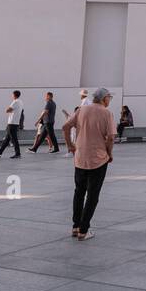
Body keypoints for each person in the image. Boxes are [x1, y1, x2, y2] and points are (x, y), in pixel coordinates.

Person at [61, 87, 116, 240]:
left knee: (79, 192)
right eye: (109, 98)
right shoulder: (107, 113)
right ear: (104, 98)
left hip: (80, 158)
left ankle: (75, 226)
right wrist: (109, 153)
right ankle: (84, 231)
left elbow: (65, 127)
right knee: (92, 195)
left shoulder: (82, 110)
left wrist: (70, 145)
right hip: (98, 160)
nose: (110, 100)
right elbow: (111, 137)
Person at [0, 90, 25, 159]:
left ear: (14, 95)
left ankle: (18, 153)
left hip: (12, 123)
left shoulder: (15, 102)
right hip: (15, 123)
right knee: (7, 139)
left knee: (14, 139)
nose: (12, 96)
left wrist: (8, 109)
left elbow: (7, 110)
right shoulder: (21, 102)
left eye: (12, 95)